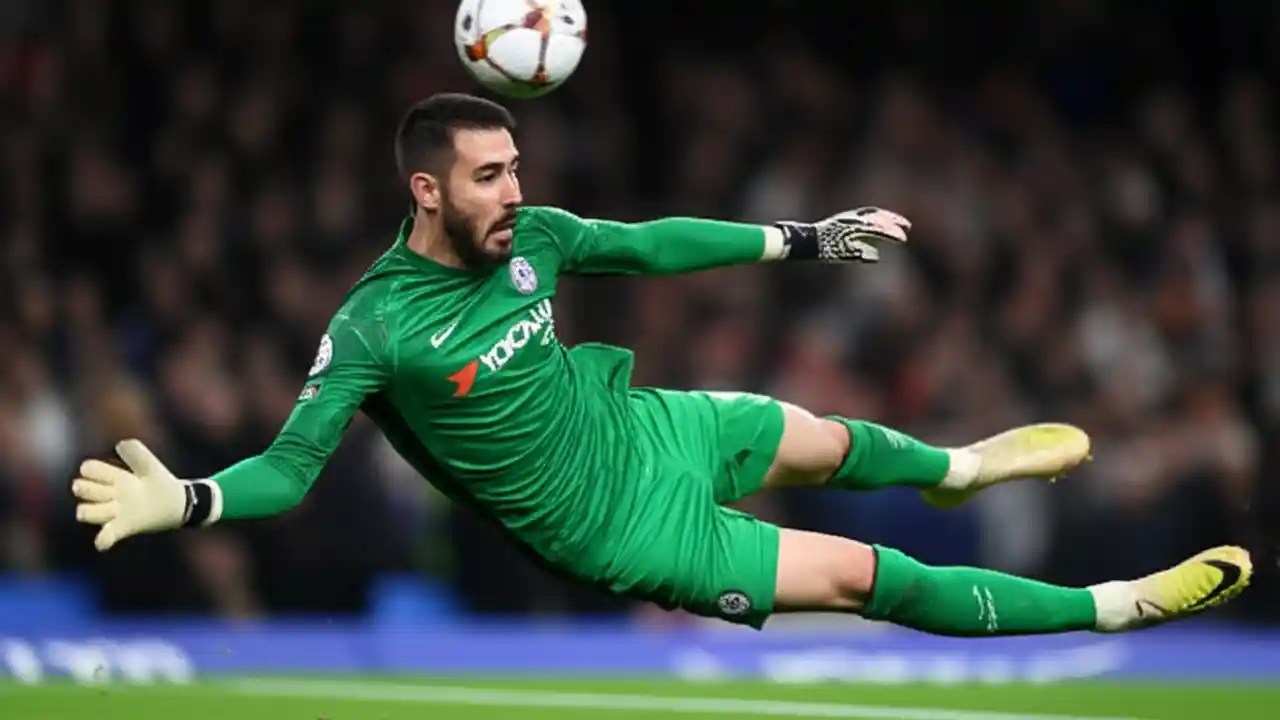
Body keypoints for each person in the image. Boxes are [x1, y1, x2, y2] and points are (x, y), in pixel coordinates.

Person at [71, 93, 1250, 635]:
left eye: (516, 166)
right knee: (863, 574)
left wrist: (799, 237)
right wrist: (189, 497)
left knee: (822, 435)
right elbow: (290, 466)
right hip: (620, 530)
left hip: (639, 425)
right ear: (424, 190)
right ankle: (1113, 608)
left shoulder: (532, 236)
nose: (515, 193)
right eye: (489, 177)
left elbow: (643, 247)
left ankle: (949, 466)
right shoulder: (375, 328)